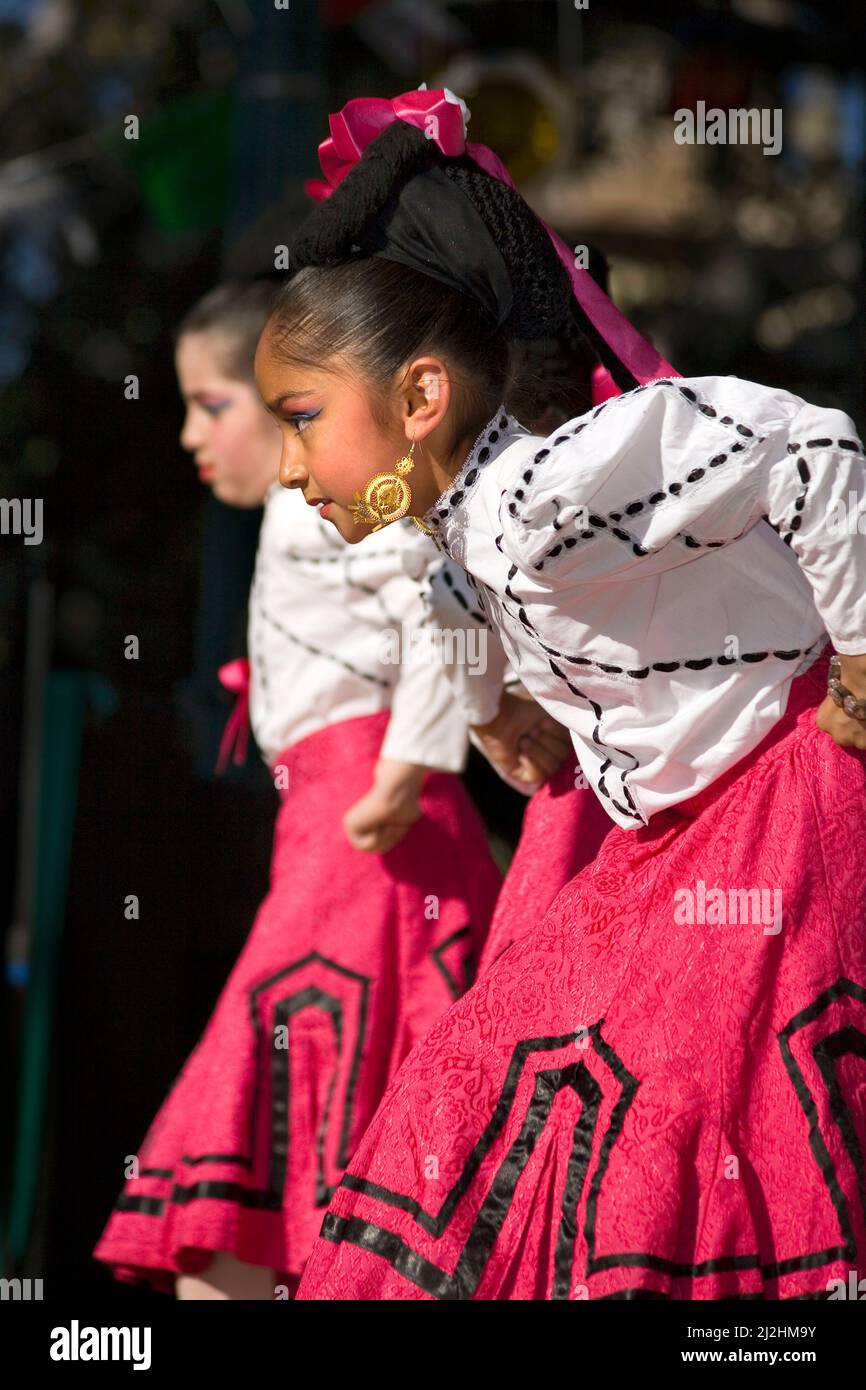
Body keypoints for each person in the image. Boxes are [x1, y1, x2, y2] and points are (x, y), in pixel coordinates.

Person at [250, 91, 865, 1300]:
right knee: (465, 1079)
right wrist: (499, 719)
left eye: (303, 420)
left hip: (788, 809)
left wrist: (859, 657)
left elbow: (812, 448)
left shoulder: (555, 488)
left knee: (683, 1127)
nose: (287, 466)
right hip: (668, 847)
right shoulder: (472, 529)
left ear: (420, 401)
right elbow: (453, 602)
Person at [93, 278, 511, 1298]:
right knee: (311, 1101)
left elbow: (439, 598)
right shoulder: (296, 511)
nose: (193, 433)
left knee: (270, 1082)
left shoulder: (320, 501)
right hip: (336, 835)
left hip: (370, 836)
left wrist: (407, 769)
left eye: (215, 403)